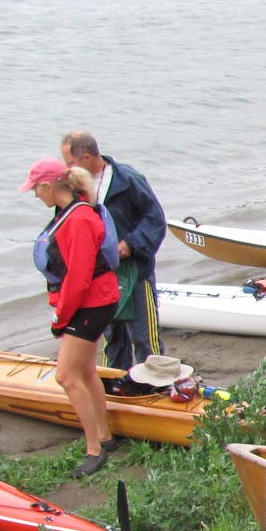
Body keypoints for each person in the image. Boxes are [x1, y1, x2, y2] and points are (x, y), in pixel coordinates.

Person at [21, 157, 120, 478]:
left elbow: (78, 277)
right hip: (94, 301)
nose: (35, 195)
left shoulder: (77, 219)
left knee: (66, 376)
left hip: (89, 305)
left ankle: (93, 450)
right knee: (86, 370)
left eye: (36, 189)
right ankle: (105, 436)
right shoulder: (71, 212)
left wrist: (60, 318)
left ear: (49, 186)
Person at [59, 131, 166, 377]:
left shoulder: (127, 179)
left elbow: (155, 220)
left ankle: (156, 386)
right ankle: (114, 386)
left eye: (70, 163)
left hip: (136, 272)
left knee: (145, 338)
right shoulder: (74, 187)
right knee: (113, 340)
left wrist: (131, 243)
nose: (66, 169)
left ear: (87, 157)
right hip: (102, 277)